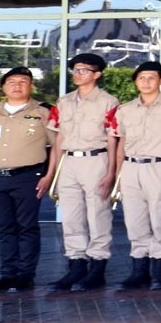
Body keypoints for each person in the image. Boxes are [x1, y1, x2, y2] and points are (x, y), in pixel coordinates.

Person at [0, 67, 55, 293]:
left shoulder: (43, 112)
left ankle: (25, 275)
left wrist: (49, 176)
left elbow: (58, 145)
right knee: (4, 227)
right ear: (3, 87)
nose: (17, 85)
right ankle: (7, 274)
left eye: (23, 81)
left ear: (32, 86)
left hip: (28, 177)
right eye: (12, 81)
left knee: (26, 226)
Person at [113, 61, 161, 291]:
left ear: (160, 80)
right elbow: (122, 143)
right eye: (141, 78)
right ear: (136, 81)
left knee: (159, 219)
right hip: (130, 167)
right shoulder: (125, 110)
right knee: (134, 221)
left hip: (159, 167)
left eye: (151, 78)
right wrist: (119, 174)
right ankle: (139, 272)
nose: (146, 82)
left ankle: (158, 273)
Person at [46, 53, 118, 292]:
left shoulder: (109, 102)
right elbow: (59, 138)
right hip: (69, 162)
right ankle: (76, 265)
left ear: (97, 74)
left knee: (98, 214)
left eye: (84, 70)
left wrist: (111, 172)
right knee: (71, 216)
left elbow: (113, 139)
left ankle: (97, 267)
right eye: (75, 70)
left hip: (96, 160)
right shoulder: (64, 102)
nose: (78, 74)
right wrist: (53, 173)